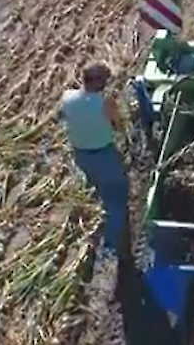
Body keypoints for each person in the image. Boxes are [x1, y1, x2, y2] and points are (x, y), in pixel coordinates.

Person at [58, 62, 131, 257]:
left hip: (80, 156)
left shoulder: (67, 97)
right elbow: (117, 125)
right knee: (116, 200)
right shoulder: (105, 103)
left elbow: (62, 116)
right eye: (105, 80)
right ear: (99, 82)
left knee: (99, 186)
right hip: (103, 155)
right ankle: (110, 247)